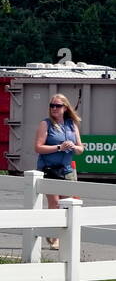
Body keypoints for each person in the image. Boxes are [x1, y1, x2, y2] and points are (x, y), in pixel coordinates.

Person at [34, 94, 84, 250]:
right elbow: (38, 147)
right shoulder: (46, 124)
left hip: (67, 170)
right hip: (50, 169)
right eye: (52, 105)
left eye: (57, 106)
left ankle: (65, 236)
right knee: (54, 203)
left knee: (68, 204)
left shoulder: (72, 125)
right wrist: (59, 147)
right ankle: (53, 237)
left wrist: (74, 148)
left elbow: (80, 149)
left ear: (65, 108)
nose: (54, 108)